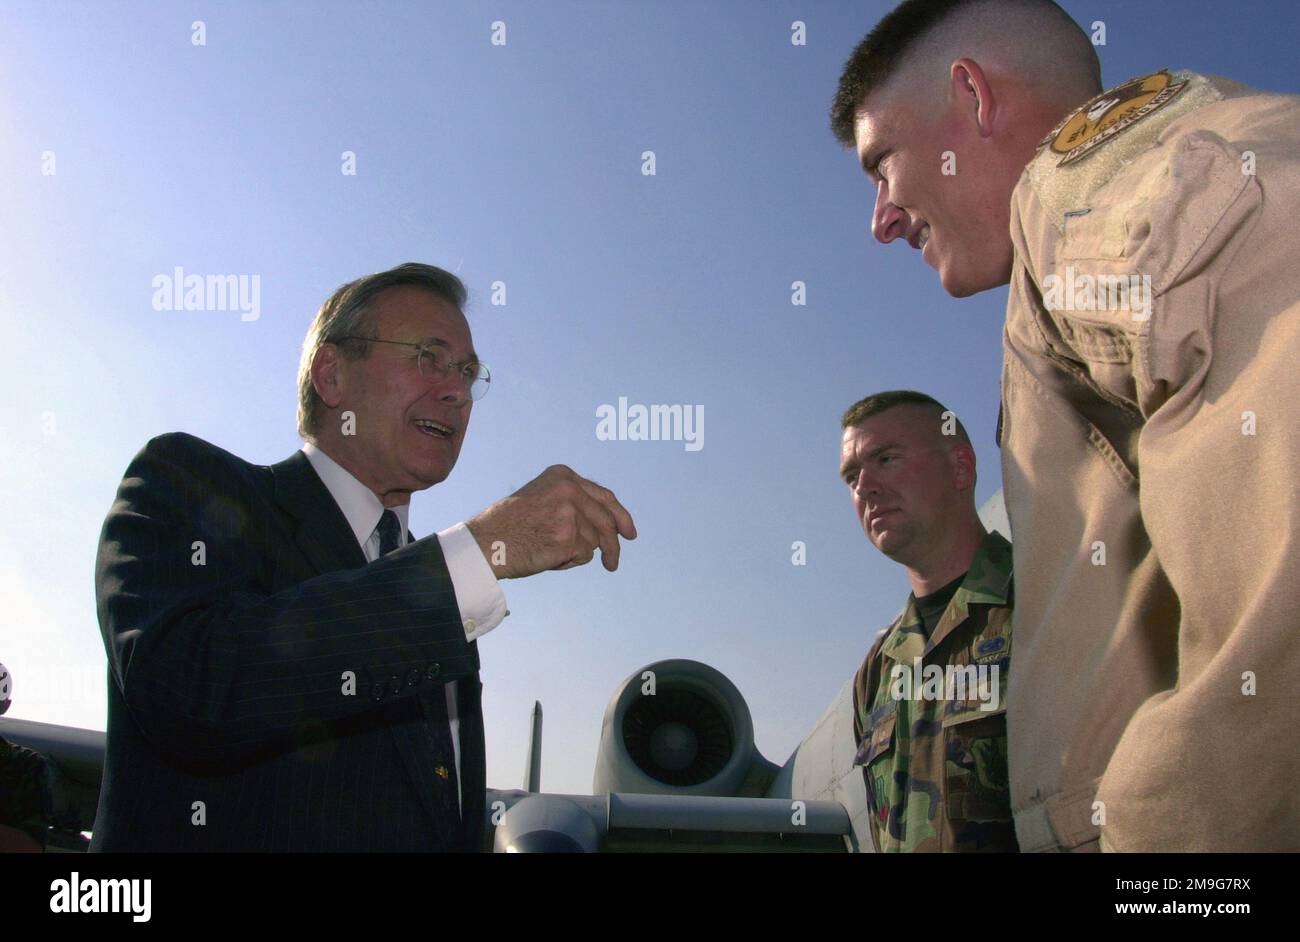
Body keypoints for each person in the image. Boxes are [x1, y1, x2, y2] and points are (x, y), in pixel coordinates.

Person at [829, 0, 1300, 850]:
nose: (882, 221)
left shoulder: (1082, 199)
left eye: (881, 165)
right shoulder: (1067, 263)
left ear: (971, 97)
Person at [90, 262, 636, 852]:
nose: (456, 389)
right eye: (428, 356)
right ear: (331, 375)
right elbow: (189, 689)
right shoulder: (188, 483)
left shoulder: (441, 592)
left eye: (468, 371)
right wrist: (472, 556)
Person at [842, 391, 1016, 852]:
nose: (864, 487)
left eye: (887, 458)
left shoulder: (1046, 605)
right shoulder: (877, 671)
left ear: (961, 467)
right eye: (852, 476)